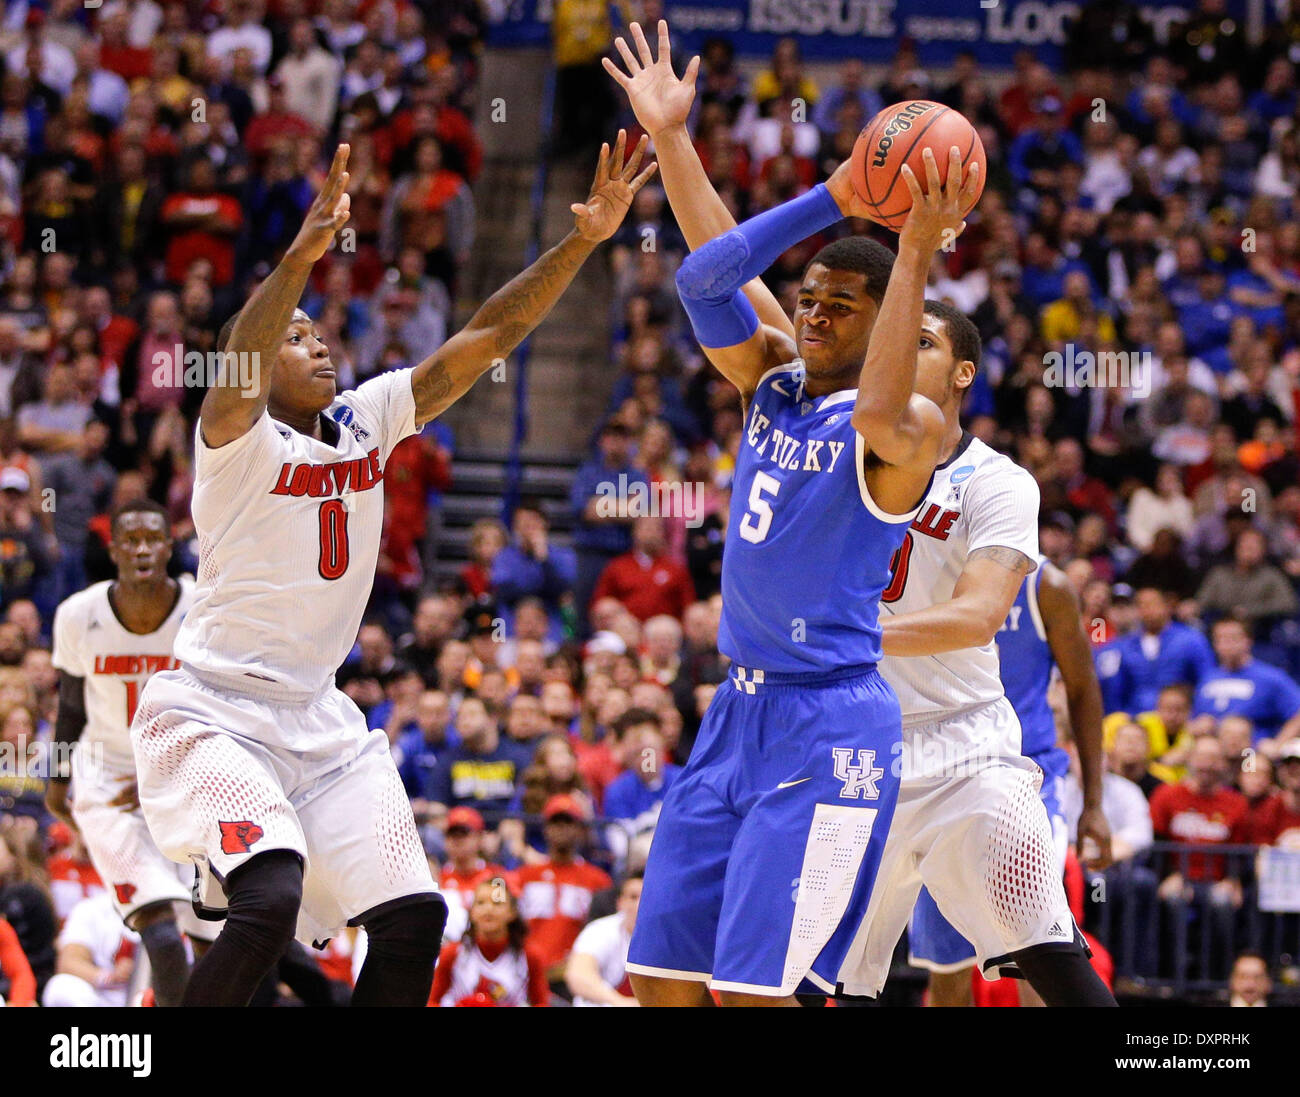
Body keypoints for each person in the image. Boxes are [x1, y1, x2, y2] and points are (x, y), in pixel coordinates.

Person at [129, 139, 656, 1007]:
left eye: (315, 329)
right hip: (214, 709)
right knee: (268, 899)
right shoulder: (236, 442)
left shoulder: (369, 413)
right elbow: (237, 372)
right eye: (292, 337)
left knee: (415, 916)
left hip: (318, 715)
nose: (316, 341)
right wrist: (299, 257)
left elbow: (488, 335)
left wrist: (583, 242)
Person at [609, 22, 957, 1005]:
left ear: (887, 313)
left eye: (841, 304)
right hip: (735, 710)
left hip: (830, 720)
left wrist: (914, 255)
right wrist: (677, 141)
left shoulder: (903, 426)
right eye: (807, 297)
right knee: (660, 979)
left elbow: (886, 404)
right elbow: (703, 274)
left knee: (758, 994)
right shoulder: (774, 375)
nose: (811, 313)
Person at [909, 556, 1113, 1007]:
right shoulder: (920, 569)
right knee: (947, 968)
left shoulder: (1047, 585)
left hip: (1026, 777)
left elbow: (1082, 687)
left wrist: (1093, 803)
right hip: (937, 775)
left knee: (1037, 952)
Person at [45, 497, 211, 1008]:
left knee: (216, 940)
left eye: (152, 538)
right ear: (113, 548)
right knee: (161, 933)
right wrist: (56, 783)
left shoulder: (200, 609)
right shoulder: (77, 615)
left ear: (169, 547)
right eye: (130, 539)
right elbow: (70, 709)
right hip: (106, 775)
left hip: (184, 775)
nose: (141, 548)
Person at [514, 794, 612, 985]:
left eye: (568, 822)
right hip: (526, 974)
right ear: (546, 829)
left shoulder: (598, 880)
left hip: (575, 976)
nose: (562, 829)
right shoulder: (523, 876)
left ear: (579, 829)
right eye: (556, 823)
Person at [428, 878, 548, 1007]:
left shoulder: (529, 955)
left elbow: (541, 1002)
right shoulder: (453, 953)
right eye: (480, 903)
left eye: (497, 903)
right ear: (472, 911)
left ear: (512, 912)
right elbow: (432, 1000)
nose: (488, 909)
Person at [41, 891, 138, 1008]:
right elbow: (68, 962)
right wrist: (109, 977)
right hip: (105, 996)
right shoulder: (93, 907)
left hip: (150, 995)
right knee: (60, 987)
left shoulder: (163, 907)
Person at [567, 871, 642, 1006]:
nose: (639, 905)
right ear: (620, 903)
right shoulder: (600, 930)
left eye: (646, 898)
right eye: (633, 897)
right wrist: (620, 1002)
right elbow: (578, 975)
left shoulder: (666, 937)